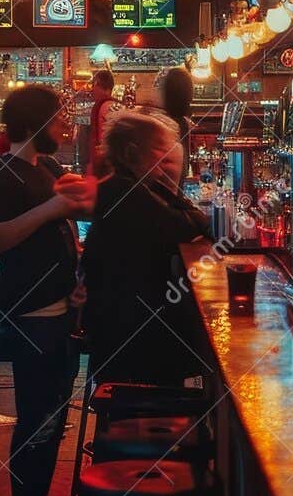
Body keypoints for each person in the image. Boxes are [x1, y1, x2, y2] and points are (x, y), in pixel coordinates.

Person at [0, 85, 92, 496]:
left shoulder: (44, 169)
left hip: (57, 316)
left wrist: (75, 282)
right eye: (59, 118)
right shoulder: (5, 176)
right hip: (31, 322)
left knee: (48, 431)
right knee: (35, 431)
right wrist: (50, 213)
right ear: (35, 122)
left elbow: (77, 215)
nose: (65, 127)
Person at [82, 110, 213, 385]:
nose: (166, 160)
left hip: (126, 331)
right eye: (158, 150)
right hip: (129, 345)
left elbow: (197, 222)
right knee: (211, 339)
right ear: (131, 153)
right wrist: (167, 183)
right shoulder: (124, 192)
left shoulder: (130, 187)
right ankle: (200, 417)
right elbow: (192, 227)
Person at [154, 66, 195, 185]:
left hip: (162, 194)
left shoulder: (161, 122)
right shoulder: (183, 123)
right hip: (175, 190)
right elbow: (184, 168)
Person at [80, 69, 119, 177]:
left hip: (105, 166)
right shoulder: (114, 106)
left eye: (93, 85)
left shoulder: (106, 106)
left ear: (98, 83)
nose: (92, 89)